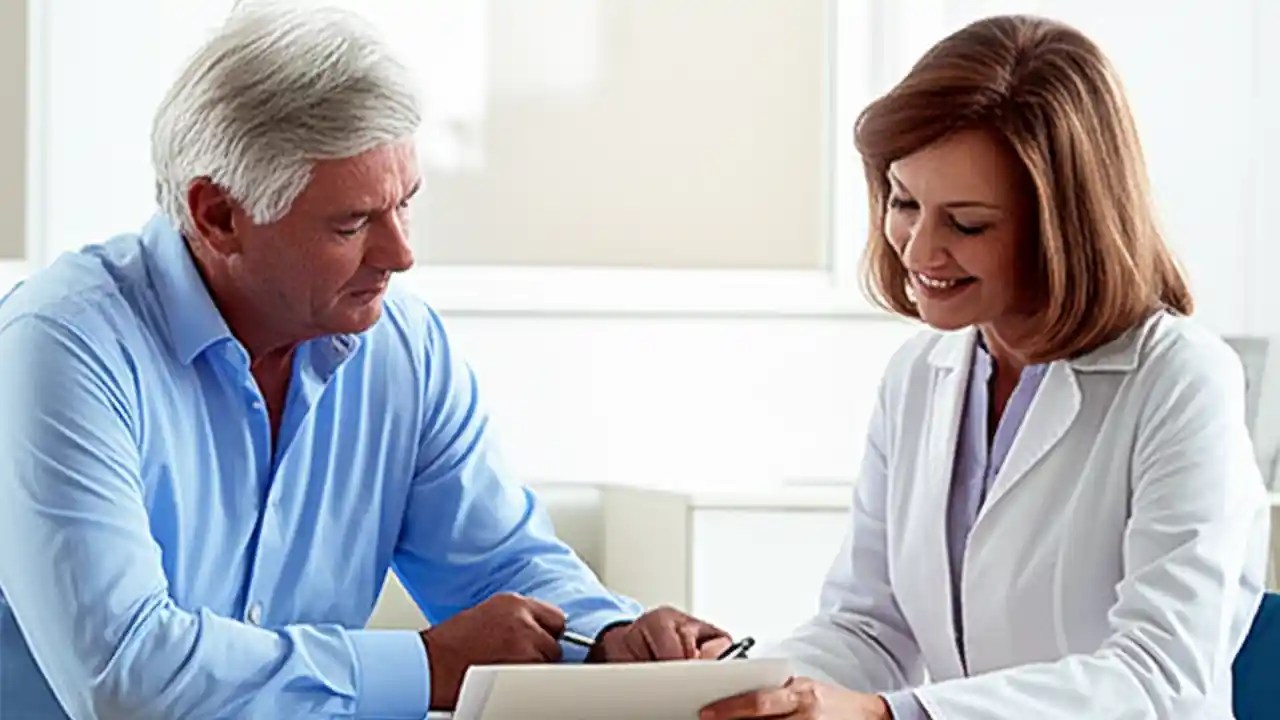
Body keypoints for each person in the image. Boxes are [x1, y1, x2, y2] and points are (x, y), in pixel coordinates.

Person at [0, 5, 729, 718]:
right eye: (352, 224)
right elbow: (126, 676)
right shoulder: (59, 347)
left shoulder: (402, 348)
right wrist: (427, 666)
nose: (401, 254)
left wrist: (607, 640)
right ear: (218, 216)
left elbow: (498, 566)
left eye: (404, 205)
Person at [701, 14, 1267, 720]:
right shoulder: (920, 375)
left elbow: (1157, 678)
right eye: (904, 203)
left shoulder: (1180, 381)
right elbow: (871, 630)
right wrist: (738, 689)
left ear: (1064, 226)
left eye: (967, 224)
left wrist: (889, 715)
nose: (916, 251)